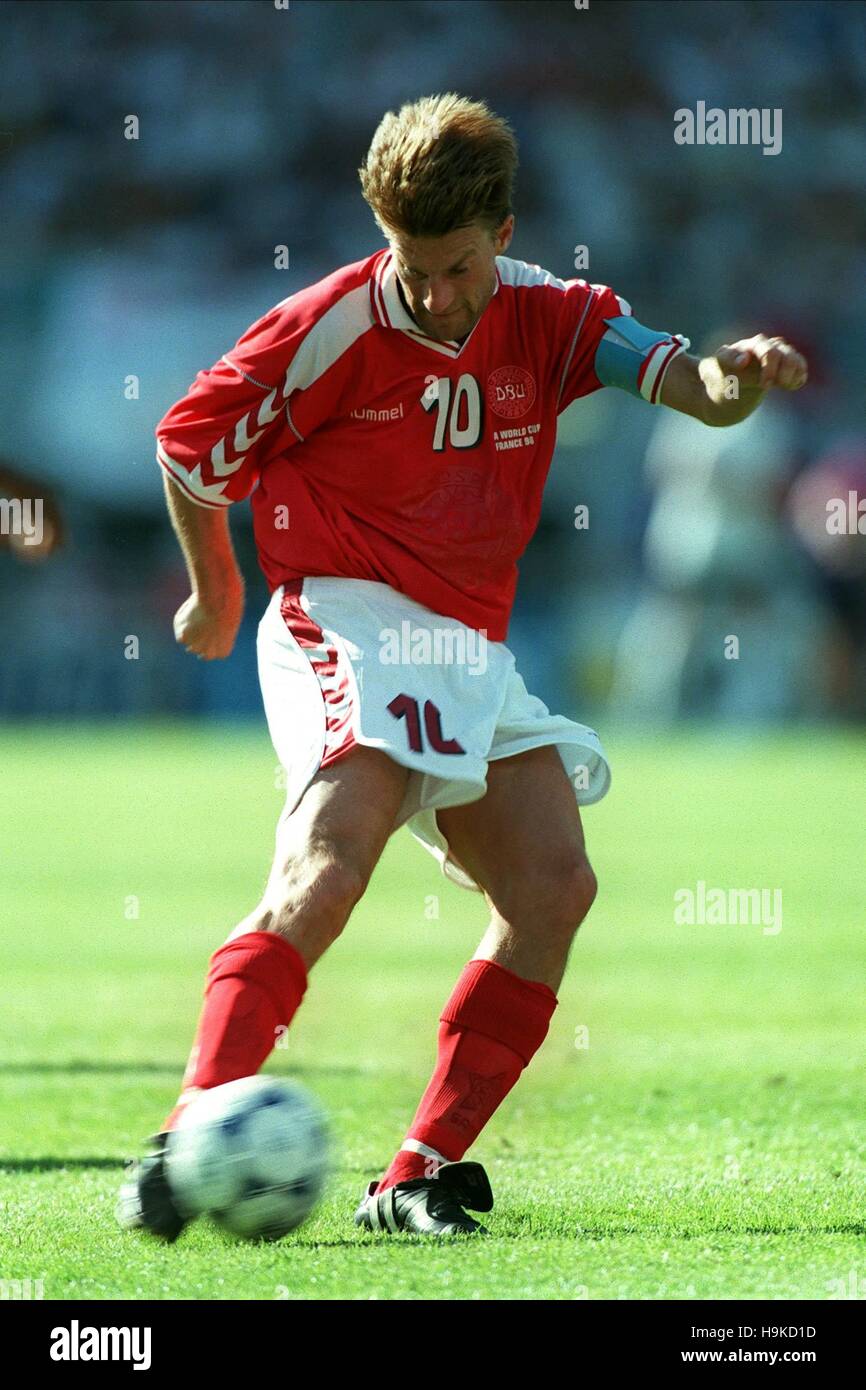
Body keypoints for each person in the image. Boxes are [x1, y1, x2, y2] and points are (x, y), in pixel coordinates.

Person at [118, 93, 808, 1239]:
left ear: (502, 227)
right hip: (337, 613)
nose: (432, 297)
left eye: (453, 267)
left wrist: (738, 373)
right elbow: (189, 448)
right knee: (334, 861)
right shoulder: (326, 326)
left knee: (552, 887)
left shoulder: (558, 315)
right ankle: (188, 1131)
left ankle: (416, 1173)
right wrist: (217, 586)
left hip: (464, 648)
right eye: (409, 267)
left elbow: (696, 389)